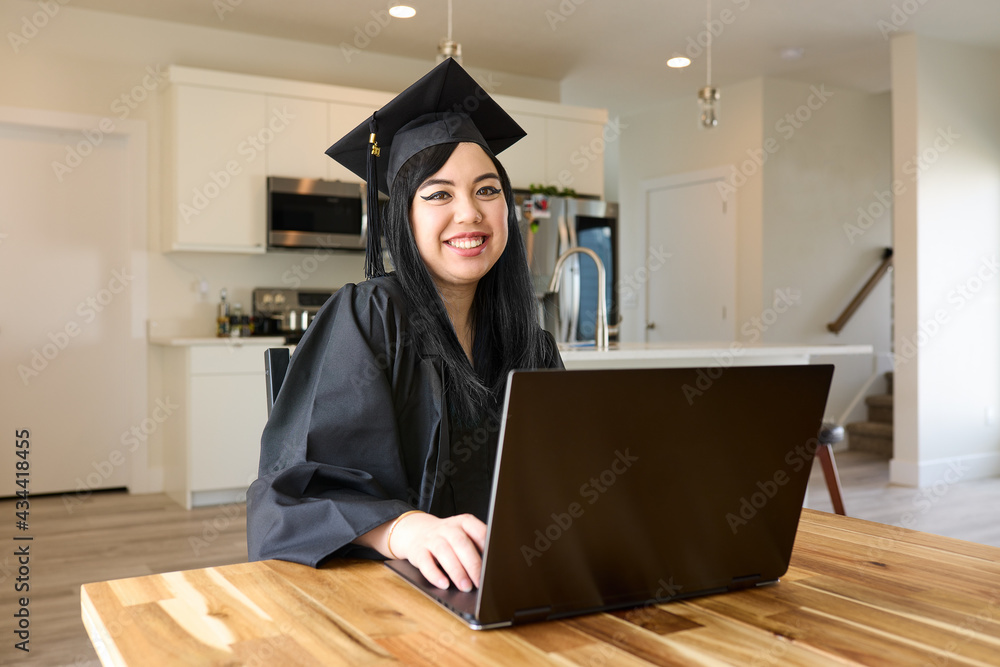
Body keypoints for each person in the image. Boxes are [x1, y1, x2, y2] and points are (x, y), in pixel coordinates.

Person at [246, 59, 563, 594]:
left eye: (488, 191)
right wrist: (403, 529)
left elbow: (563, 476)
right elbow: (286, 500)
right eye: (438, 194)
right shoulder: (369, 315)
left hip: (508, 584)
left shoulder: (531, 345)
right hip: (385, 593)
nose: (469, 213)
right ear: (404, 218)